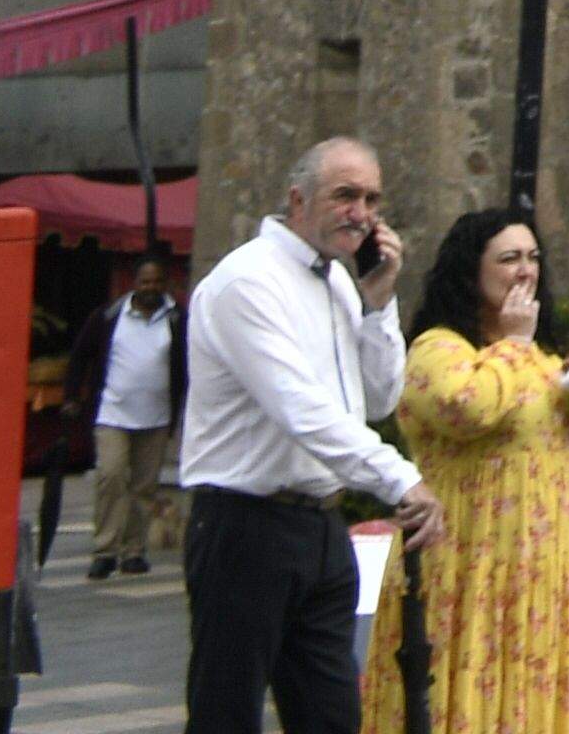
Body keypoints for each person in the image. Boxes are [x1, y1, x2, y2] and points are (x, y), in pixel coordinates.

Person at [180, 139, 433, 734]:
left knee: (331, 716)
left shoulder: (341, 283)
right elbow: (303, 410)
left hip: (320, 524)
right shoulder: (248, 282)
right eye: (345, 195)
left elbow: (376, 399)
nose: (362, 213)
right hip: (245, 525)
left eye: (372, 198)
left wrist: (378, 304)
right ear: (298, 199)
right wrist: (401, 480)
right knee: (227, 713)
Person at [378, 209, 569, 734]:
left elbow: (566, 439)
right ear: (470, 271)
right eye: (509, 259)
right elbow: (468, 408)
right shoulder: (437, 349)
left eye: (533, 258)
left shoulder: (545, 356)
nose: (526, 271)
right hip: (471, 562)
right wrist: (514, 344)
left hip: (543, 567)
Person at [88, 252, 185, 580]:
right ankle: (104, 550)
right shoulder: (111, 315)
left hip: (155, 418)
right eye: (145, 281)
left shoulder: (175, 319)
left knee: (144, 487)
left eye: (157, 281)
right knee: (111, 476)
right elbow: (82, 355)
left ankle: (133, 551)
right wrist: (74, 397)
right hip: (113, 413)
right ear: (134, 284)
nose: (151, 287)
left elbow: (185, 365)